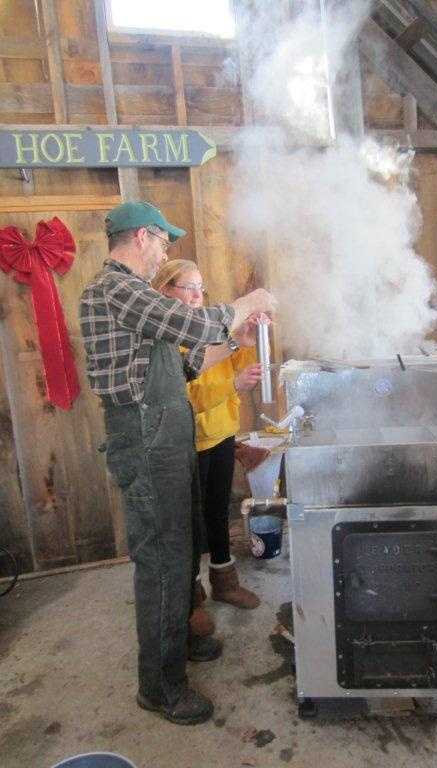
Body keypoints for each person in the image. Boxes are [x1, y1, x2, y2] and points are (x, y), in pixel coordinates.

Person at [79, 201, 276, 726]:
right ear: (142, 236)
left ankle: (181, 645)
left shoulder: (134, 297)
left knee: (182, 549)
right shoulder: (115, 289)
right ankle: (161, 687)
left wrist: (235, 331)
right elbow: (193, 321)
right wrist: (248, 300)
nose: (166, 251)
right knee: (163, 564)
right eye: (164, 242)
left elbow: (188, 361)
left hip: (166, 440)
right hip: (146, 444)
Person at [152, 260, 262, 639]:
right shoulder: (167, 337)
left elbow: (237, 364)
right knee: (188, 525)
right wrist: (233, 385)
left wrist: (247, 339)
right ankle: (191, 598)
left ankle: (225, 581)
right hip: (188, 442)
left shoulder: (210, 328)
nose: (198, 295)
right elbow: (187, 397)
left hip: (220, 434)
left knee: (217, 512)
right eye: (188, 287)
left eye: (201, 287)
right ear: (165, 292)